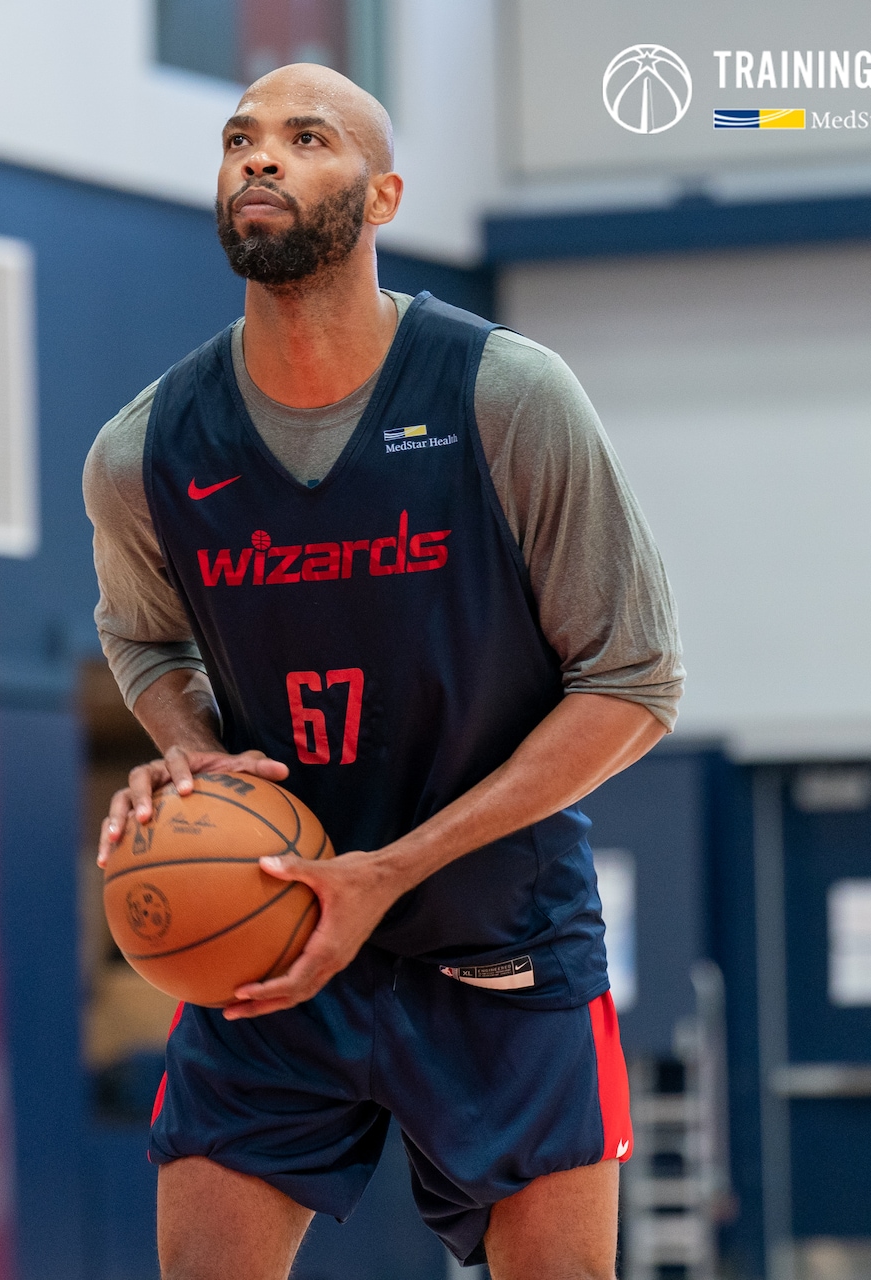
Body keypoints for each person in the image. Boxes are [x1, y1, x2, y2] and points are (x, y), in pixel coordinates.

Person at [83, 62, 683, 1280]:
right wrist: (191, 751)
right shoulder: (145, 448)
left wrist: (391, 868)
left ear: (385, 196)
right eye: (239, 137)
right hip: (268, 940)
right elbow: (142, 637)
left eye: (306, 138)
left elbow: (634, 679)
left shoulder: (506, 396)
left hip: (495, 936)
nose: (260, 157)